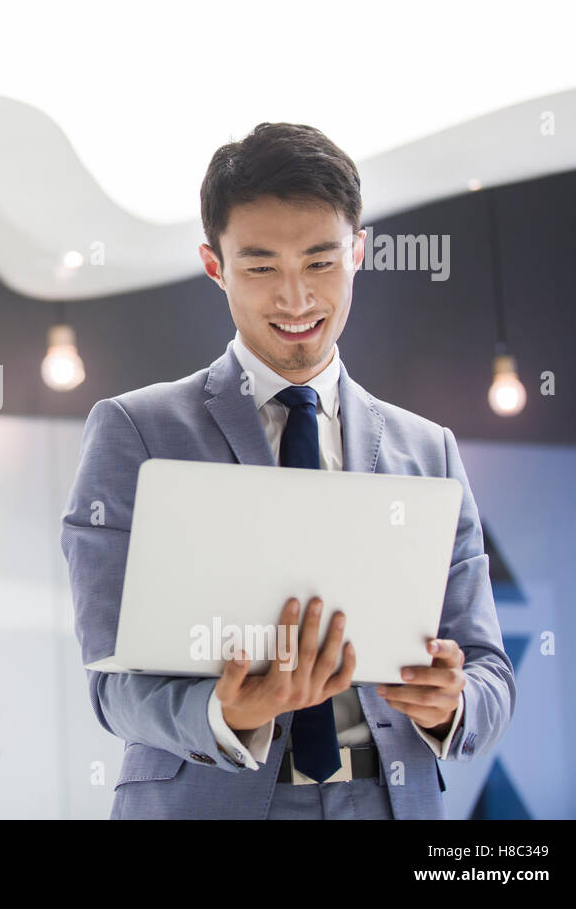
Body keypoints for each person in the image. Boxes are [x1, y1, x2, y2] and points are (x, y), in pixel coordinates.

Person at [59, 123, 515, 819]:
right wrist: (224, 709)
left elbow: (489, 671)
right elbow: (110, 682)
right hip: (214, 797)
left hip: (389, 801)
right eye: (262, 266)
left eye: (321, 262)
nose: (297, 300)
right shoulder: (137, 432)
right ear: (215, 266)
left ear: (358, 252)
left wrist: (454, 700)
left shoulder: (428, 451)